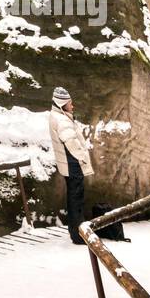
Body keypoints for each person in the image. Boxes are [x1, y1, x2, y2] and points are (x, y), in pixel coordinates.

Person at [48, 86, 93, 243]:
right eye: (70, 103)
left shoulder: (56, 115)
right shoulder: (62, 120)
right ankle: (79, 235)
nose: (72, 106)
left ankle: (75, 231)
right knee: (76, 200)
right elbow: (70, 141)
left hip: (68, 165)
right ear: (62, 104)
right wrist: (82, 157)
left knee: (73, 199)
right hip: (73, 164)